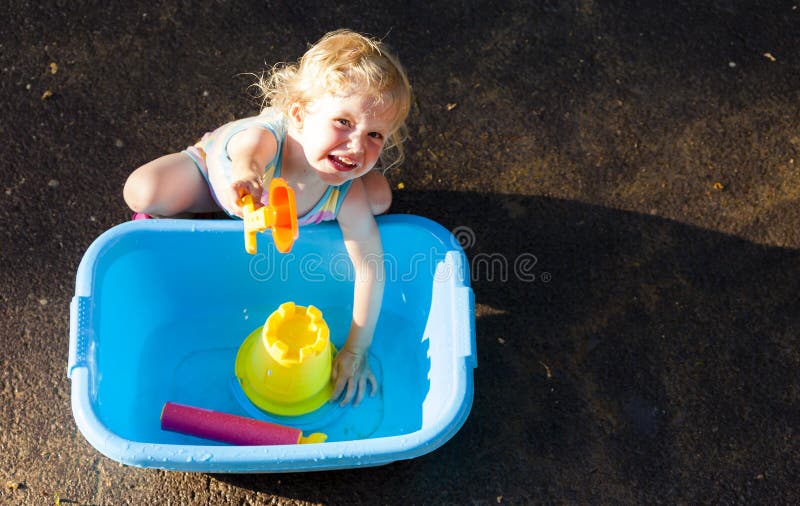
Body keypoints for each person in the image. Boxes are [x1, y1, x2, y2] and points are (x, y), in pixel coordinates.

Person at [123, 29, 412, 407]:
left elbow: (370, 265)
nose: (358, 145)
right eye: (343, 122)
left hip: (303, 198)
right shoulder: (267, 141)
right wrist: (247, 176)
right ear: (299, 114)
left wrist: (356, 348)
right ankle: (195, 213)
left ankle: (320, 207)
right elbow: (248, 155)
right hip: (216, 182)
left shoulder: (345, 190)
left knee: (378, 199)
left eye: (375, 134)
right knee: (144, 190)